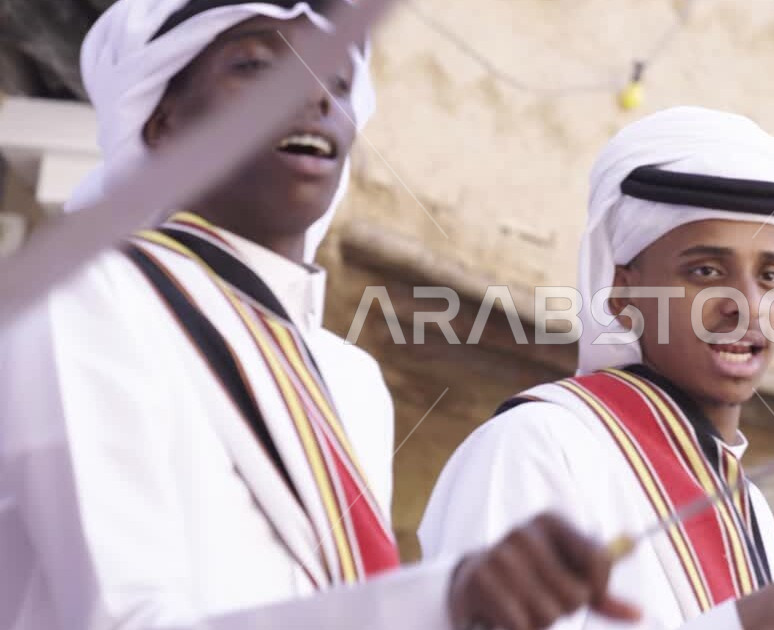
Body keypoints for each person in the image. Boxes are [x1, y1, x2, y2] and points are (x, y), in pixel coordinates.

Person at [0, 2, 638, 628]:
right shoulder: (85, 299)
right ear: (162, 122)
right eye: (257, 66)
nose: (315, 97)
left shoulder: (352, 382)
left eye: (337, 82)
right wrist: (442, 600)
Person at [419, 106, 774, 629]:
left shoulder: (750, 508)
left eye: (770, 275)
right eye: (706, 271)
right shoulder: (536, 443)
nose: (746, 303)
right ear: (623, 291)